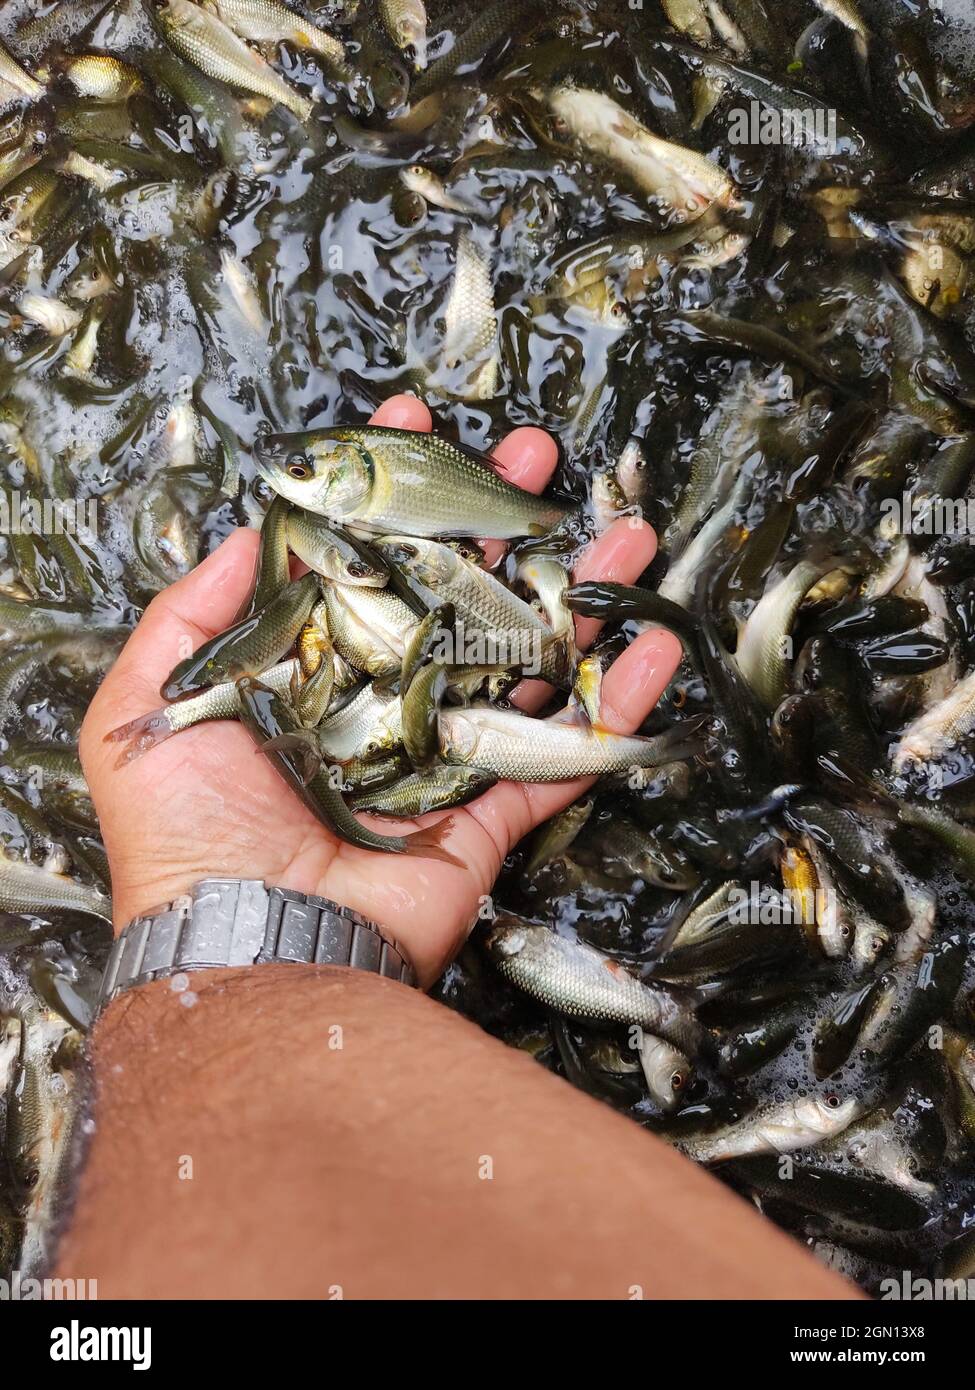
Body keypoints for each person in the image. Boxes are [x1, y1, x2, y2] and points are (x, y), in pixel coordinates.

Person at [56, 398, 856, 1299]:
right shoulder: (331, 640)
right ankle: (633, 735)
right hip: (422, 747)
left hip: (433, 733)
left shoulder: (361, 602)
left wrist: (220, 931)